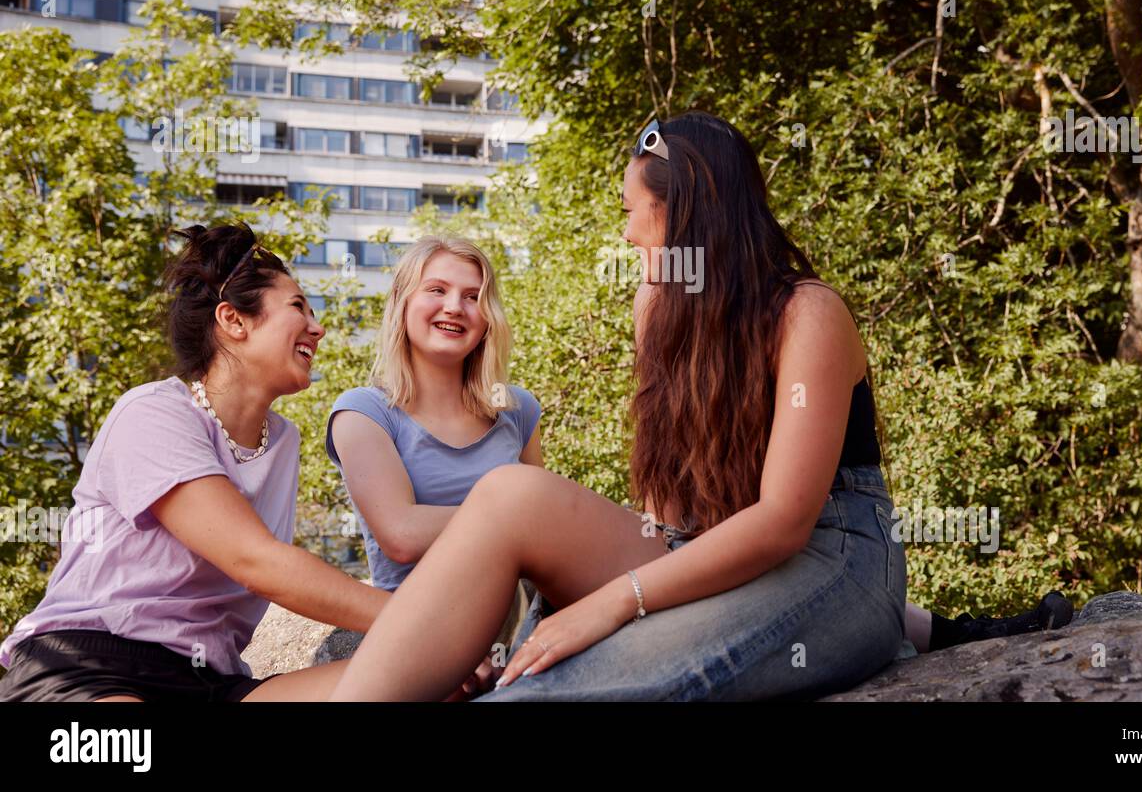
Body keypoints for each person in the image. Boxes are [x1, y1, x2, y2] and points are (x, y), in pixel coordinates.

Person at [326, 111, 1071, 703]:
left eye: (631, 211)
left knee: (544, 684)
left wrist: (615, 603)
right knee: (507, 493)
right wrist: (601, 591)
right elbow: (667, 507)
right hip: (708, 549)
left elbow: (783, 522)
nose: (623, 232)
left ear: (681, 212)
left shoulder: (808, 314)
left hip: (828, 554)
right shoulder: (658, 307)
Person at [0, 223, 389, 701]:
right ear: (234, 320)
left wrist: (435, 643)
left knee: (409, 677)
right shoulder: (153, 411)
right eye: (297, 308)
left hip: (213, 681)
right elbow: (257, 562)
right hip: (90, 665)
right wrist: (412, 617)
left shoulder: (283, 441)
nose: (318, 327)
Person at [326, 234, 542, 696]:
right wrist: (515, 519)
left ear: (488, 320)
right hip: (418, 629)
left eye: (472, 297)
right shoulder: (364, 411)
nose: (455, 307)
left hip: (521, 628)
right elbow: (400, 534)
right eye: (437, 290)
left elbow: (547, 536)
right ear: (403, 304)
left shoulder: (517, 409)